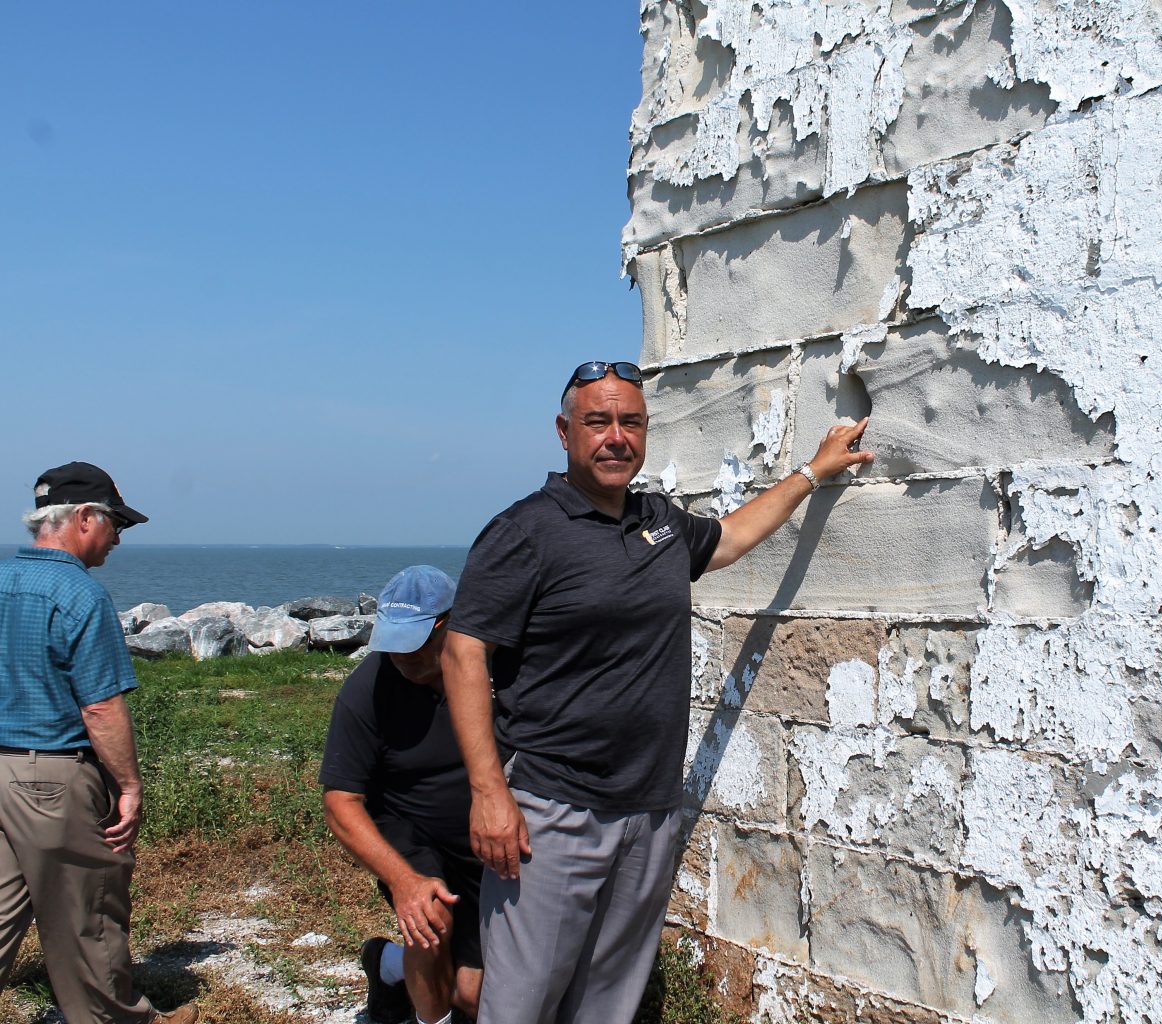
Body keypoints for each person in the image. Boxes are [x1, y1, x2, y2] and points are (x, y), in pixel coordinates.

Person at [441, 359, 873, 1024]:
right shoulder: (526, 531)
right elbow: (464, 652)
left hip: (648, 811)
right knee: (519, 1006)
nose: (617, 436)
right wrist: (487, 791)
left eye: (631, 422)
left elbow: (731, 537)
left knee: (608, 1004)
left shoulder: (662, 523)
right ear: (564, 432)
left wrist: (813, 472)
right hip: (552, 812)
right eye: (599, 422)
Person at [0, 461, 198, 1024]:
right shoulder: (79, 595)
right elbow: (100, 705)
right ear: (83, 518)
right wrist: (129, 786)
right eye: (115, 523)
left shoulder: (2, 582)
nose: (118, 538)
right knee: (89, 913)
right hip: (52, 779)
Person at [320, 565, 483, 1024]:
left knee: (474, 998)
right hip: (407, 832)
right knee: (431, 921)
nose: (401, 657)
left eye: (414, 645)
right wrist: (403, 881)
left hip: (479, 845)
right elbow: (339, 803)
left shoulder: (489, 664)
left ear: (448, 625)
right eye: (390, 644)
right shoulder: (365, 691)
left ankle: (386, 964)